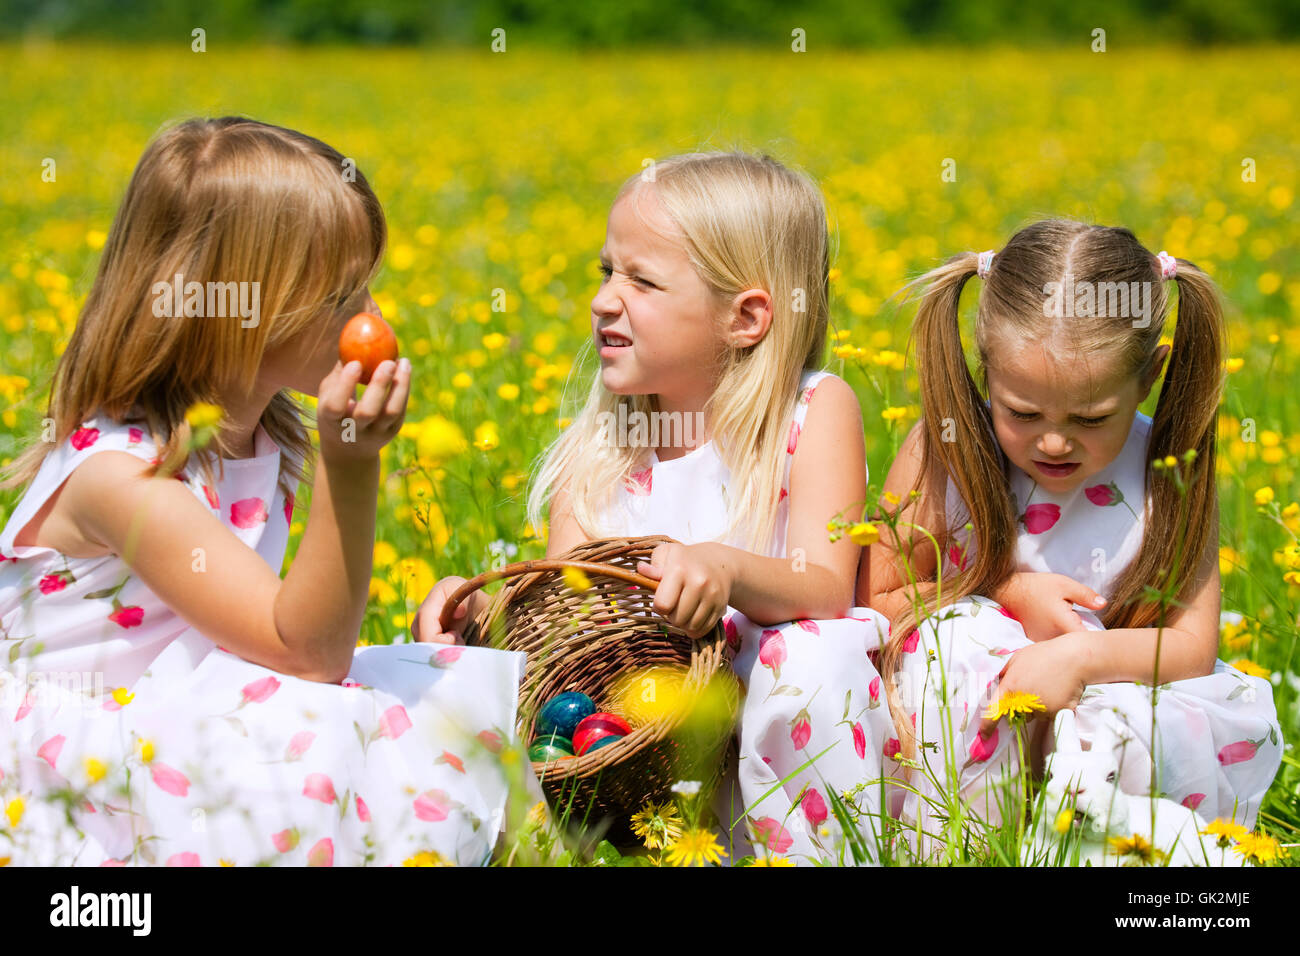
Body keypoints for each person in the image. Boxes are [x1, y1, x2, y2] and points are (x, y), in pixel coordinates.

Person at [0, 117, 528, 866]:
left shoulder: (265, 438)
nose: (372, 320)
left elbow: (291, 642)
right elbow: (306, 653)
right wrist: (353, 467)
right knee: (317, 723)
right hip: (67, 758)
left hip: (174, 705)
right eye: (342, 294)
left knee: (426, 691)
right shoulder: (121, 478)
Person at [416, 152, 895, 865]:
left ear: (747, 317)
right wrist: (476, 614)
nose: (605, 299)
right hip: (636, 745)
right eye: (606, 272)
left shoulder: (811, 412)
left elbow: (826, 586)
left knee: (810, 655)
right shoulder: (605, 444)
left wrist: (724, 570)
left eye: (641, 280)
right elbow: (565, 612)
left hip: (770, 727)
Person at [862, 220, 1281, 852]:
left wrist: (1080, 656)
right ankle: (961, 846)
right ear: (986, 370)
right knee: (958, 641)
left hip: (1104, 702)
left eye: (1090, 418)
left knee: (1143, 723)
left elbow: (1191, 648)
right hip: (962, 726)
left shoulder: (1167, 467)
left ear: (1150, 376)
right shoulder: (947, 448)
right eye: (1022, 413)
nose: (1053, 442)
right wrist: (1005, 593)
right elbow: (877, 597)